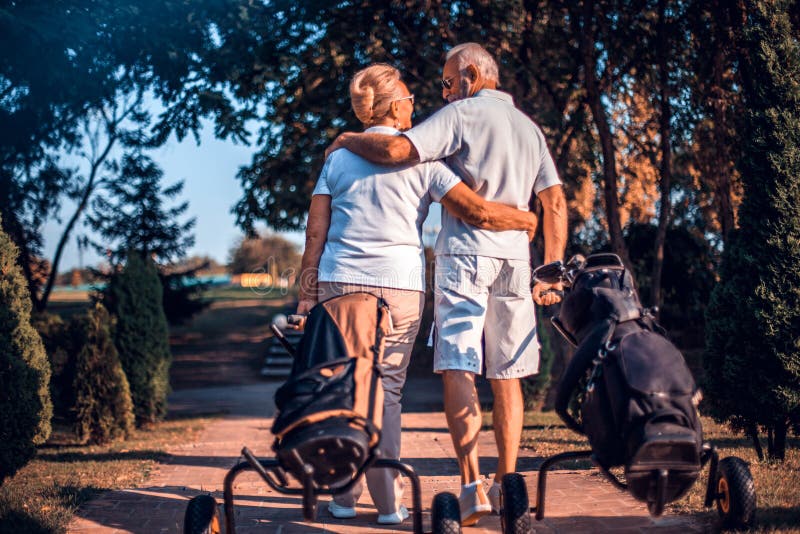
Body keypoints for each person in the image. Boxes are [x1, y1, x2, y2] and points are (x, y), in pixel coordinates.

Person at [326, 43, 568, 526]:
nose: (441, 90)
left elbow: (396, 148)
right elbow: (556, 203)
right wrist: (552, 270)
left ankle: (471, 484)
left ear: (470, 75)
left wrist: (347, 138)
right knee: (508, 375)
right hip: (517, 260)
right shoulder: (530, 129)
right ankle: (508, 483)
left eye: (444, 81)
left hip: (464, 257)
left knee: (460, 364)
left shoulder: (459, 114)